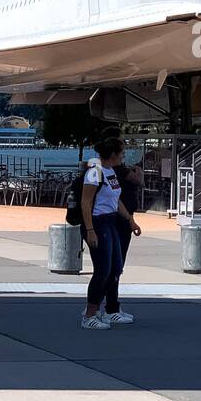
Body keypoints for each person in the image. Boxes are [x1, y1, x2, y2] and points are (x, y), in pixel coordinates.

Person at [80, 137, 143, 330]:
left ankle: (104, 310)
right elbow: (86, 202)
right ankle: (90, 313)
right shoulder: (94, 173)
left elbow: (116, 200)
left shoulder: (110, 173)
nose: (123, 156)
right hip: (98, 223)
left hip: (111, 221)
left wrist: (130, 220)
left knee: (116, 267)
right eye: (122, 153)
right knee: (102, 270)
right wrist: (90, 230)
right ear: (113, 154)